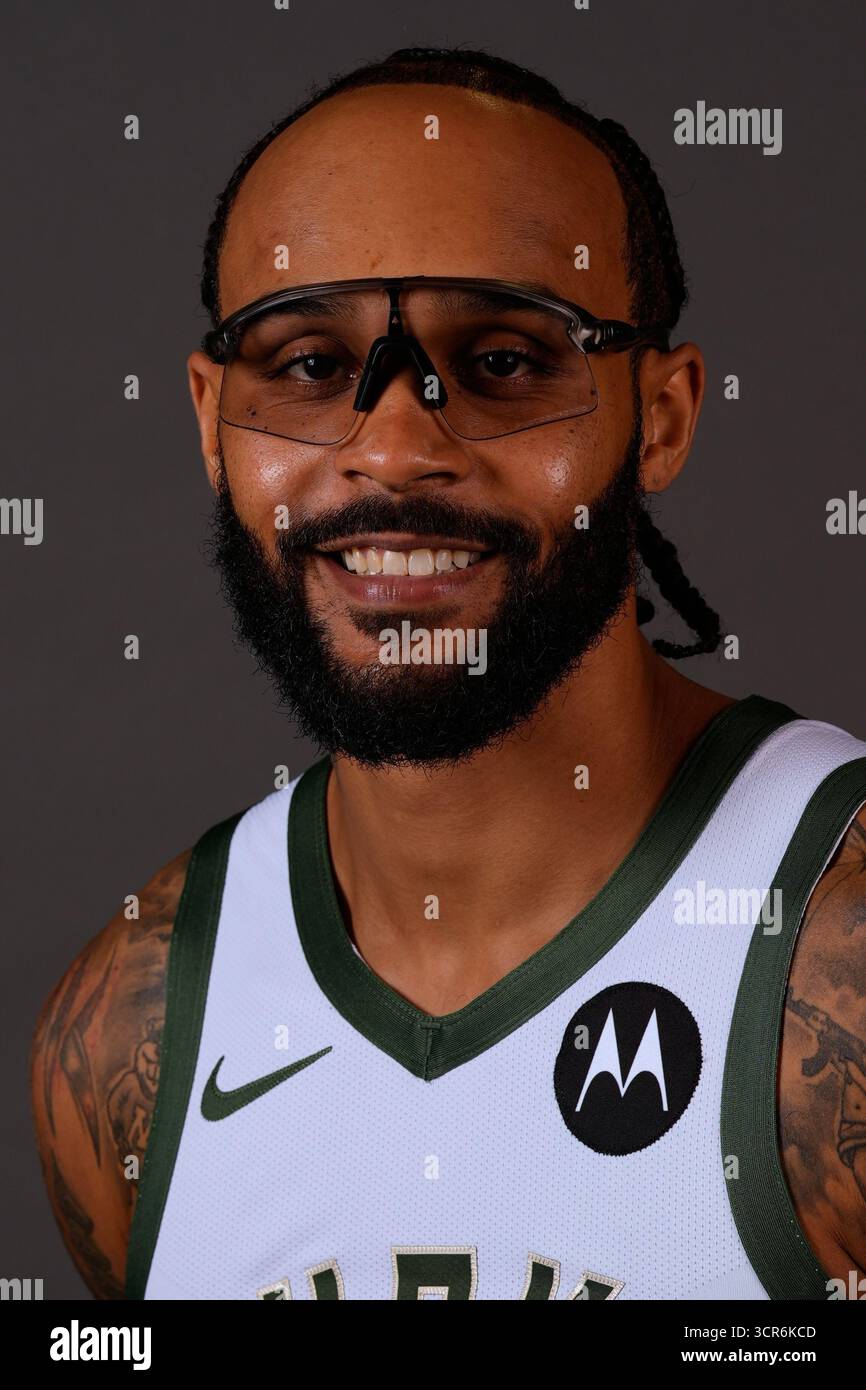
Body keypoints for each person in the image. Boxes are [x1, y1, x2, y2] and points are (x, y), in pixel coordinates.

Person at [31, 47, 866, 1301]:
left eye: (502, 361)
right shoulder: (127, 1035)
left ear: (664, 414)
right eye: (310, 365)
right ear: (211, 423)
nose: (393, 446)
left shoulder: (831, 967)